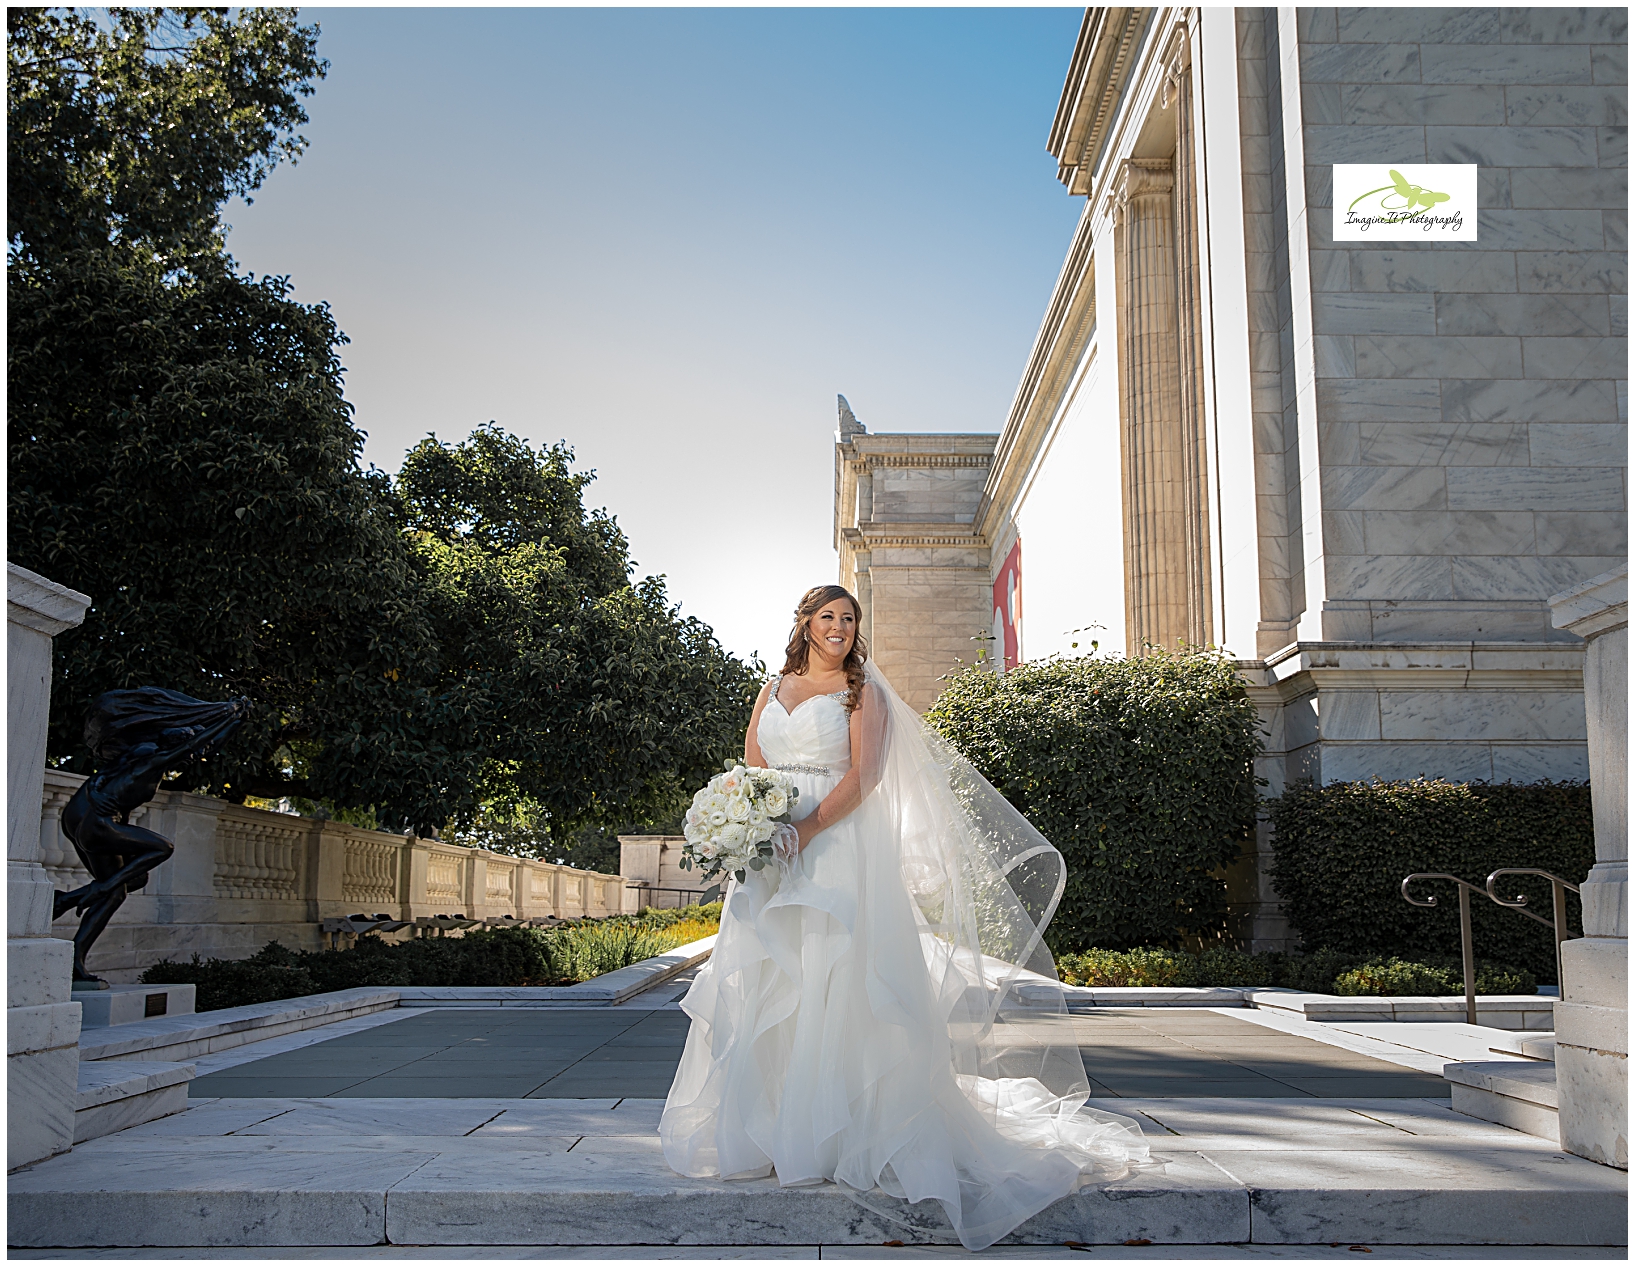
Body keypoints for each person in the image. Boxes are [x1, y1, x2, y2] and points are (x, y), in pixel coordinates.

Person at [659, 585, 1148, 1250]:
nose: (838, 627)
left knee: (838, 984)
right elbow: (752, 763)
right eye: (827, 616)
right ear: (804, 624)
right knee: (778, 985)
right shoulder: (772, 685)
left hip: (836, 848)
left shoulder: (864, 691)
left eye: (848, 618)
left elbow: (865, 776)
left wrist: (804, 830)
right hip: (771, 852)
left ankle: (848, 1134)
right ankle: (776, 1131)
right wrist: (748, 823)